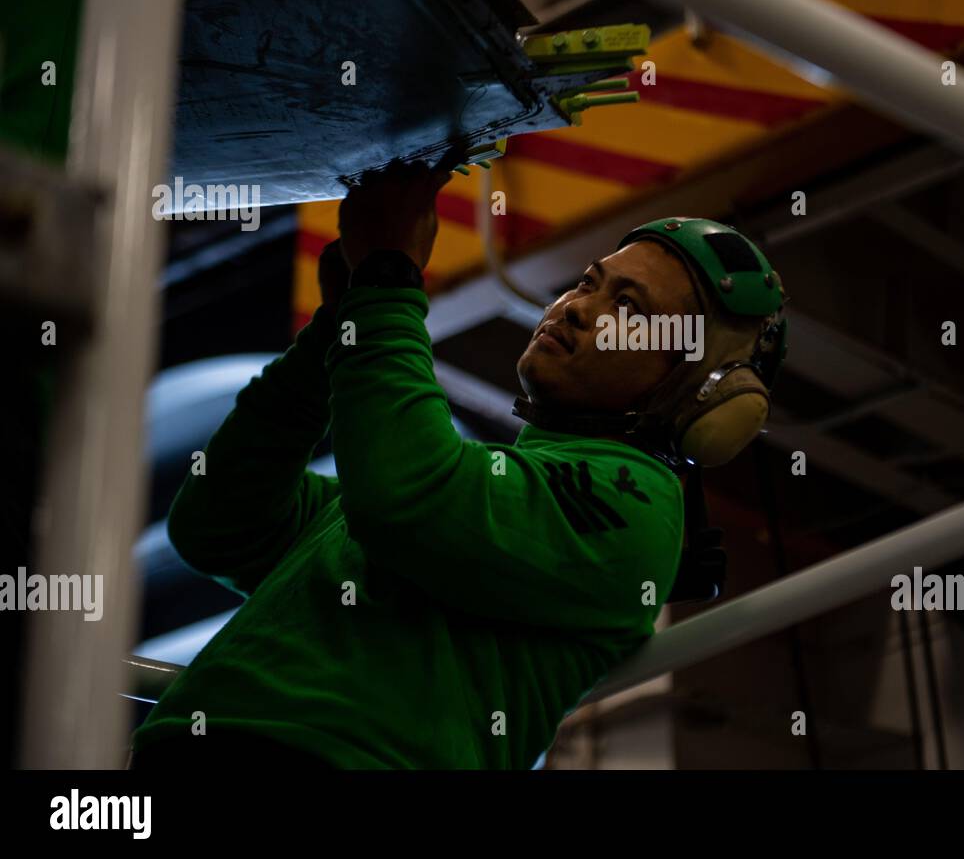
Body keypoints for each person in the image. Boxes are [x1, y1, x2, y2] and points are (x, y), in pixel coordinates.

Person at [129, 159, 787, 769]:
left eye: (628, 308)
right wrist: (334, 332)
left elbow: (404, 502)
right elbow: (219, 521)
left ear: (699, 394)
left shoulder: (632, 511)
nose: (579, 308)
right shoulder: (474, 493)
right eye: (590, 281)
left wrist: (387, 281)